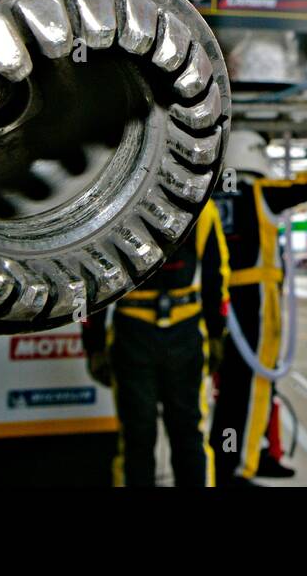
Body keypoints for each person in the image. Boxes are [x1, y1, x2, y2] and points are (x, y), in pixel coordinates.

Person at [210, 131, 307, 485]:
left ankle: (240, 456)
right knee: (254, 384)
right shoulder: (261, 193)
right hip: (255, 301)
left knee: (233, 388)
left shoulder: (211, 197)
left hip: (220, 302)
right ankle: (240, 467)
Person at [83, 199, 230, 487]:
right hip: (167, 328)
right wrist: (216, 335)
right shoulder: (200, 203)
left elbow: (97, 280)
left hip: (145, 329)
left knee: (150, 435)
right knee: (172, 432)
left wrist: (94, 345)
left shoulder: (119, 200)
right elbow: (216, 275)